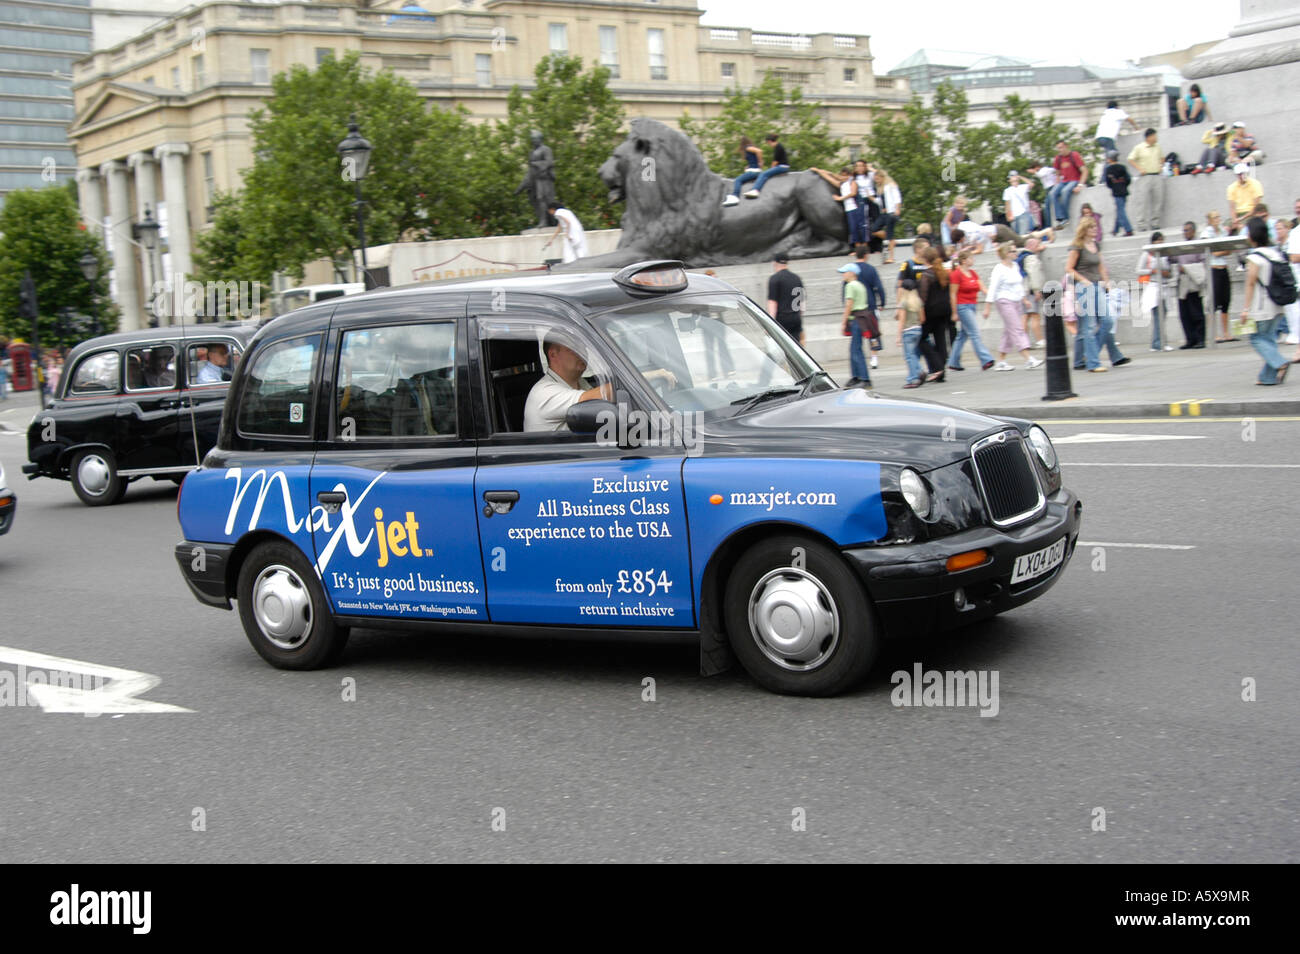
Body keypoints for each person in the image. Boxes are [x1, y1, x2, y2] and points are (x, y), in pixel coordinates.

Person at [1066, 218, 1128, 371]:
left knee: (1107, 320)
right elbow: (1069, 269)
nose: (1095, 230)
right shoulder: (1077, 247)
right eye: (1092, 227)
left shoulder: (1095, 245)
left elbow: (1101, 266)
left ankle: (1084, 358)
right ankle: (1093, 363)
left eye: (1095, 227)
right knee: (1088, 325)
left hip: (1097, 286)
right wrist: (1083, 280)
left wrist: (1106, 282)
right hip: (1084, 287)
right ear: (1085, 229)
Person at [524, 336, 619, 431]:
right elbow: (588, 401)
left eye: (584, 348)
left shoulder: (580, 382)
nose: (583, 353)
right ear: (553, 354)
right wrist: (626, 383)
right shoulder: (543, 392)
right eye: (575, 348)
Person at [1240, 218, 1290, 385]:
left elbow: (1251, 282)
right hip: (1278, 303)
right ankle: (1267, 377)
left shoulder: (1255, 257)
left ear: (1253, 235)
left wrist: (1245, 309)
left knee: (1256, 338)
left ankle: (1279, 363)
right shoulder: (1275, 253)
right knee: (1268, 339)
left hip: (1262, 306)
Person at [947, 248, 995, 371]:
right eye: (970, 258)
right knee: (974, 332)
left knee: (962, 335)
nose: (973, 260)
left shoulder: (973, 273)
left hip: (972, 305)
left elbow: (982, 288)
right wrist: (954, 312)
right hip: (962, 306)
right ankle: (985, 359)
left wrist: (992, 296)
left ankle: (953, 362)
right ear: (963, 260)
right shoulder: (956, 274)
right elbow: (953, 294)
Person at [916, 247, 953, 382]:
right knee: (941, 340)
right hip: (944, 311)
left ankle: (937, 366)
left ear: (925, 259)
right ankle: (941, 372)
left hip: (930, 312)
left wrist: (920, 312)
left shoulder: (926, 275)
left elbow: (923, 297)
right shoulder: (943, 272)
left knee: (920, 339)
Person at [1200, 210, 1236, 342]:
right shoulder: (1206, 233)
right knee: (1213, 302)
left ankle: (1226, 332)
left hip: (1223, 268)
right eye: (1215, 217)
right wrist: (1222, 251)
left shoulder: (1222, 231)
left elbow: (1229, 249)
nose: (1218, 219)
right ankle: (1213, 333)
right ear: (1209, 220)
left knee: (1225, 300)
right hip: (1213, 269)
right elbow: (1213, 252)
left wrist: (1222, 251)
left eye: (1218, 217)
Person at [1136, 232, 1174, 351]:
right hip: (1153, 286)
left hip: (1164, 285)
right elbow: (1138, 270)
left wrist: (1166, 273)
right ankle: (1159, 343)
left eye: (1162, 240)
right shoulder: (1147, 254)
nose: (1160, 242)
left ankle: (1158, 341)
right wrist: (1152, 271)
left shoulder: (1165, 255)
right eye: (1158, 240)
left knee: (1163, 314)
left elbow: (1170, 271)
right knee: (1158, 315)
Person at [1172, 221, 1207, 349]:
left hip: (1193, 281)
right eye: (1184, 230)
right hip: (1182, 282)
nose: (1185, 233)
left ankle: (1200, 339)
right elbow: (1173, 258)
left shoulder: (1198, 245)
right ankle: (1190, 339)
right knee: (1184, 313)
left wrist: (1187, 268)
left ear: (1193, 231)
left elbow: (1204, 263)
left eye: (1187, 230)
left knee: (1196, 312)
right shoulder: (1181, 246)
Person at [838, 264, 873, 387]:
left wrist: (843, 322)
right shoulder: (860, 285)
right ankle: (856, 376)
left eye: (844, 272)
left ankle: (863, 378)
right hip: (862, 319)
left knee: (856, 349)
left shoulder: (850, 286)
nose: (843, 274)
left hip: (856, 319)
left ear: (851, 273)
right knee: (855, 348)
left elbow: (849, 305)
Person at [514, 130, 557, 230]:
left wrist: (536, 164)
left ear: (540, 139)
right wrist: (521, 187)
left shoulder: (546, 149)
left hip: (544, 179)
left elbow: (549, 162)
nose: (533, 141)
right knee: (536, 200)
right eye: (532, 140)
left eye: (535, 139)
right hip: (535, 181)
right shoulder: (532, 152)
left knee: (544, 199)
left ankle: (548, 221)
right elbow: (530, 171)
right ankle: (542, 220)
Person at [852, 249, 887, 369]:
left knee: (858, 336)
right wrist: (882, 302)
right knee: (873, 333)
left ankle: (859, 359)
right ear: (866, 255)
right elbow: (879, 287)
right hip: (870, 306)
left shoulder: (851, 270)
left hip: (856, 308)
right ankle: (874, 357)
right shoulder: (871, 269)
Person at [1127, 128, 1164, 231]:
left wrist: (1161, 166)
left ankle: (1155, 223)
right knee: (1142, 201)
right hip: (1145, 176)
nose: (1156, 138)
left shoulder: (1158, 147)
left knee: (1158, 200)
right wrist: (1140, 169)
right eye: (1154, 136)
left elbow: (1162, 158)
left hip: (1156, 175)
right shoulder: (1139, 147)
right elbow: (1130, 159)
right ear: (1149, 137)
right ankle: (1141, 224)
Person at [766, 255, 805, 345]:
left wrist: (769, 323)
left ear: (775, 263)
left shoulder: (774, 279)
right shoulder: (797, 278)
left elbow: (772, 303)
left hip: (781, 319)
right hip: (795, 317)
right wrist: (799, 316)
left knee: (779, 348)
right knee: (796, 347)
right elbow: (802, 301)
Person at [1274, 217, 1300, 351]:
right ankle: (1293, 333)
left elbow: (1294, 258)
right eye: (1276, 228)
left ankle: (1296, 334)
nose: (1277, 231)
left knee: (1294, 306)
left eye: (1280, 228)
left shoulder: (1292, 240)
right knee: (1289, 307)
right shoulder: (1279, 245)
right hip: (1285, 277)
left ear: (1287, 228)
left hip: (1294, 276)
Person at [895, 277, 926, 389]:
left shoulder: (904, 303)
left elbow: (901, 321)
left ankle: (913, 378)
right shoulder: (918, 301)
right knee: (913, 354)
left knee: (909, 356)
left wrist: (898, 336)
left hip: (908, 331)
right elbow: (922, 318)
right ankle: (920, 371)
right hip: (917, 329)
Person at [1049, 140, 1086, 228]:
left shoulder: (1074, 155)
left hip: (1074, 180)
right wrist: (1056, 185)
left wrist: (1080, 185)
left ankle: (1066, 218)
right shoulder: (1058, 158)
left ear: (1066, 146)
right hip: (1064, 181)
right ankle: (1060, 218)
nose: (1060, 150)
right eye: (1058, 148)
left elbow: (1084, 171)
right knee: (1052, 193)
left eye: (1061, 147)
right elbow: (1057, 173)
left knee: (1065, 192)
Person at [1018, 237, 1047, 348]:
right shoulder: (1031, 258)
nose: (1038, 248)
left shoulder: (1021, 257)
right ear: (1031, 246)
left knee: (1025, 316)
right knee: (1035, 316)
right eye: (1037, 246)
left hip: (1022, 290)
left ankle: (1023, 342)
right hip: (1030, 290)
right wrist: (1037, 290)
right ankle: (1039, 340)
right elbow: (1034, 274)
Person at [743, 133, 789, 198]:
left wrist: (771, 169)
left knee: (763, 174)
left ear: (769, 141)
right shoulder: (779, 146)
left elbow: (775, 161)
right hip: (782, 166)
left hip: (782, 167)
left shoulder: (778, 147)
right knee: (765, 173)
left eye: (768, 143)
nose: (769, 145)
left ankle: (755, 190)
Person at [723, 136, 764, 206]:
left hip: (754, 171)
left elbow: (759, 151)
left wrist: (760, 162)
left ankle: (735, 196)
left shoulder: (747, 147)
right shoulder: (749, 148)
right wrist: (748, 166)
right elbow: (753, 159)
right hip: (753, 170)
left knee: (738, 180)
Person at [872, 169, 902, 262]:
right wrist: (870, 197)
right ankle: (892, 241)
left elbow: (897, 197)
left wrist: (897, 208)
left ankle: (891, 257)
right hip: (884, 213)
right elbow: (879, 201)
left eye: (878, 179)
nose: (877, 181)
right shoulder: (880, 189)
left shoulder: (891, 185)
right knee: (874, 230)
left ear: (882, 177)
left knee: (890, 233)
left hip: (891, 212)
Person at [1102, 151, 1133, 236]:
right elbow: (1128, 179)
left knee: (1121, 211)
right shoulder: (1122, 167)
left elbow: (1108, 183)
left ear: (1109, 159)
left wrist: (1114, 186)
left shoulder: (1109, 169)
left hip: (1116, 191)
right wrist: (1123, 185)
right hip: (1124, 190)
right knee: (1120, 209)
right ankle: (1115, 230)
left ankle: (1128, 229)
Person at [1227, 164, 1264, 232]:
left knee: (1243, 227)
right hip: (1238, 214)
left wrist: (1241, 219)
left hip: (1252, 214)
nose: (1241, 176)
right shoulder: (1231, 187)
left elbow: (1256, 207)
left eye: (1243, 173)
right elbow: (1232, 207)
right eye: (1239, 174)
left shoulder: (1256, 184)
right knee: (1227, 227)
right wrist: (1234, 220)